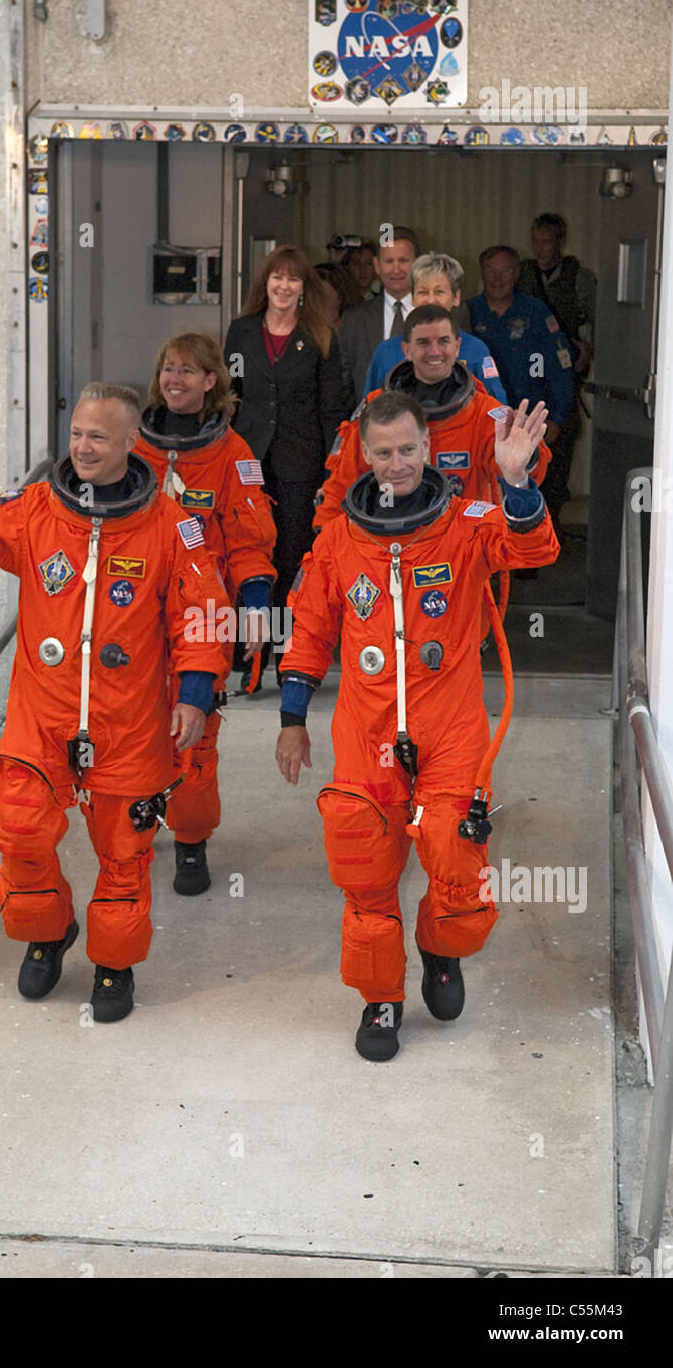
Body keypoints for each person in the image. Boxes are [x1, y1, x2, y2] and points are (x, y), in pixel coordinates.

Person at [0, 384, 227, 1022]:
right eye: (77, 434)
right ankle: (48, 930)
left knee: (125, 853)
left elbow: (204, 615)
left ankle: (115, 966)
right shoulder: (37, 510)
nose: (83, 447)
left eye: (98, 437)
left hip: (130, 722)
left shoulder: (175, 527)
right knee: (19, 830)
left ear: (128, 444)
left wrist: (196, 695)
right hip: (44, 715)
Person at [275, 390, 559, 1061]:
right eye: (383, 452)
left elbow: (533, 549)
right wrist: (292, 718)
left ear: (428, 449)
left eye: (408, 449)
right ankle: (381, 999)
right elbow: (312, 628)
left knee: (456, 857)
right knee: (364, 869)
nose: (396, 463)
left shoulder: (467, 524)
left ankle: (440, 950)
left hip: (450, 728)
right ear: (364, 455)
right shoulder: (340, 539)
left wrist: (516, 480)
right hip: (366, 732)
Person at [133, 333, 277, 894]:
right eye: (169, 369)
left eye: (189, 372)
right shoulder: (131, 443)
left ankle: (190, 842)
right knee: (133, 731)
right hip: (135, 610)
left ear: (212, 381)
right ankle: (134, 829)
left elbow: (249, 541)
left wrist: (258, 602)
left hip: (202, 610)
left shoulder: (235, 456)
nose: (176, 380)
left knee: (194, 736)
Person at [224, 244, 346, 687]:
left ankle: (288, 657)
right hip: (249, 462)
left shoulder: (320, 336)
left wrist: (333, 472)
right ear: (266, 283)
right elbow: (228, 398)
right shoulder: (240, 332)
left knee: (293, 558)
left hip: (301, 463)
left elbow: (334, 409)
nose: (284, 285)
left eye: (293, 278)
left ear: (303, 288)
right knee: (251, 553)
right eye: (277, 276)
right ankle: (249, 658)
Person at [315, 305, 550, 529]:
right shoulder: (375, 410)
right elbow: (340, 487)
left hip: (462, 548)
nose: (435, 351)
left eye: (443, 341)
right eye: (424, 343)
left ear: (457, 347)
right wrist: (325, 543)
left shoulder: (484, 414)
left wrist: (527, 460)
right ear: (407, 350)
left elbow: (525, 477)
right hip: (388, 544)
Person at [468, 245, 576, 531]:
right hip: (484, 423)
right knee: (486, 492)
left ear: (516, 273)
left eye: (505, 270)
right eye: (491, 270)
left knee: (533, 487)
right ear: (482, 273)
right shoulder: (467, 313)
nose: (498, 278)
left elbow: (560, 368)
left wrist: (558, 417)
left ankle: (528, 557)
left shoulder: (536, 312)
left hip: (530, 421)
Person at [517, 214, 596, 526]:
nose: (540, 248)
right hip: (524, 375)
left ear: (560, 242)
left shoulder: (580, 278)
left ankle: (552, 524)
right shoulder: (522, 274)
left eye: (546, 241)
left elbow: (599, 321)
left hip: (562, 376)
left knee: (559, 455)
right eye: (536, 240)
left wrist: (588, 347)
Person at [364, 253, 507, 404]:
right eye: (423, 292)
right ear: (412, 298)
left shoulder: (476, 350)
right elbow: (368, 410)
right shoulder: (386, 351)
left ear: (456, 297)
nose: (431, 300)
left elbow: (496, 410)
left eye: (439, 292)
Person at [338, 226, 420, 407]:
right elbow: (342, 389)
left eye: (404, 261)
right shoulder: (353, 320)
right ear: (377, 265)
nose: (396, 269)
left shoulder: (443, 316)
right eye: (389, 261)